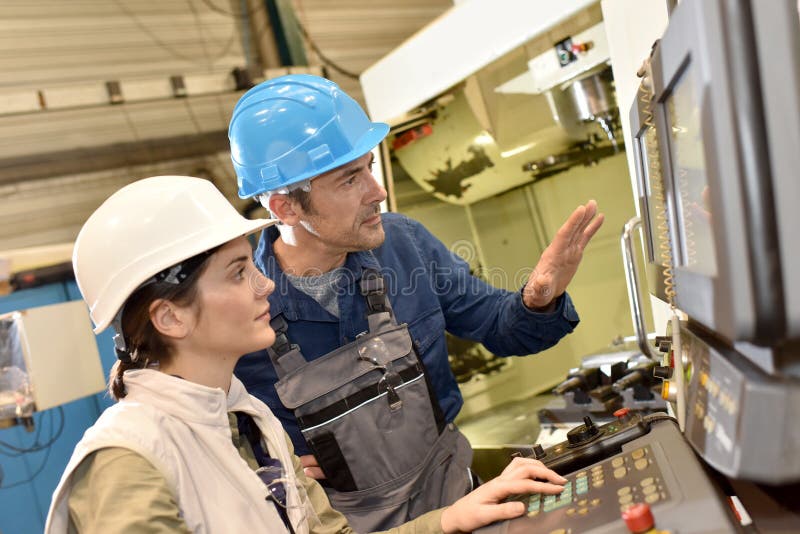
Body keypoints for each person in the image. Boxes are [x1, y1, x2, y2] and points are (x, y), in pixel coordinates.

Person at [44, 175, 569, 534]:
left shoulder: (251, 424)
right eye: (237, 273)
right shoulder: (129, 461)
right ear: (170, 318)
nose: (265, 286)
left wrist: (450, 517)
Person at [227, 74, 604, 531]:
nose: (377, 191)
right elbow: (215, 446)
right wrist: (264, 468)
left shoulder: (405, 245)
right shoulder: (237, 311)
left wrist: (540, 295)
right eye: (350, 180)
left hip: (461, 496)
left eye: (368, 167)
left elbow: (502, 328)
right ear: (286, 208)